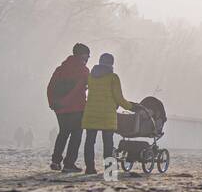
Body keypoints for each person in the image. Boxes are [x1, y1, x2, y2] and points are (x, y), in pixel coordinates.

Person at [81, 52, 138, 175]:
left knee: (89, 142)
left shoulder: (91, 76)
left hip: (91, 113)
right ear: (111, 63)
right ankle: (109, 170)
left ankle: (89, 168)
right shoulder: (113, 77)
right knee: (108, 143)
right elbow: (119, 98)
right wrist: (131, 107)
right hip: (107, 115)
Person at [47, 42, 90, 173]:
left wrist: (53, 103)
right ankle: (69, 164)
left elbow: (50, 87)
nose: (88, 59)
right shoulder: (83, 70)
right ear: (83, 55)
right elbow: (78, 90)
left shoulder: (60, 69)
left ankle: (55, 161)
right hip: (76, 107)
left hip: (60, 108)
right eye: (88, 56)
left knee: (63, 133)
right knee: (76, 136)